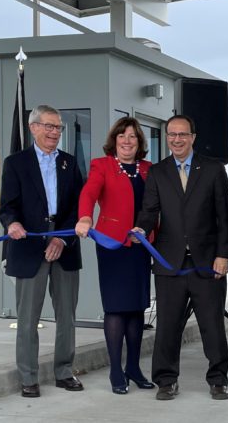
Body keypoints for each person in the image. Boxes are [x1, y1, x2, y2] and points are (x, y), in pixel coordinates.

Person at [132, 114, 228, 401]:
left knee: (212, 325)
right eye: (172, 135)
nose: (177, 139)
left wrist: (223, 255)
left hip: (207, 262)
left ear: (193, 137)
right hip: (169, 263)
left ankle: (218, 379)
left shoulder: (213, 169)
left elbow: (224, 217)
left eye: (182, 134)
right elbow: (150, 211)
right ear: (167, 138)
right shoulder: (158, 172)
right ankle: (166, 380)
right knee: (167, 325)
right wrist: (142, 227)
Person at [0, 105, 84, 398]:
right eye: (48, 126)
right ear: (33, 128)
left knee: (66, 317)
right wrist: (13, 224)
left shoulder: (70, 164)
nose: (54, 133)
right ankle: (29, 377)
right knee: (27, 319)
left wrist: (62, 239)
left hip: (64, 248)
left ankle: (64, 371)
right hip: (28, 249)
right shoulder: (15, 163)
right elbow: (6, 208)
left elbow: (78, 208)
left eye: (58, 128)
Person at [75, 117, 155, 395]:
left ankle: (133, 367)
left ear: (139, 142)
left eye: (132, 136)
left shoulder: (148, 169)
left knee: (136, 308)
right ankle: (115, 370)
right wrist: (85, 217)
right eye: (122, 136)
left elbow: (156, 206)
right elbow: (88, 193)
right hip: (112, 246)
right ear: (115, 140)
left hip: (140, 246)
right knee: (116, 308)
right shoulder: (103, 165)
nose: (127, 141)